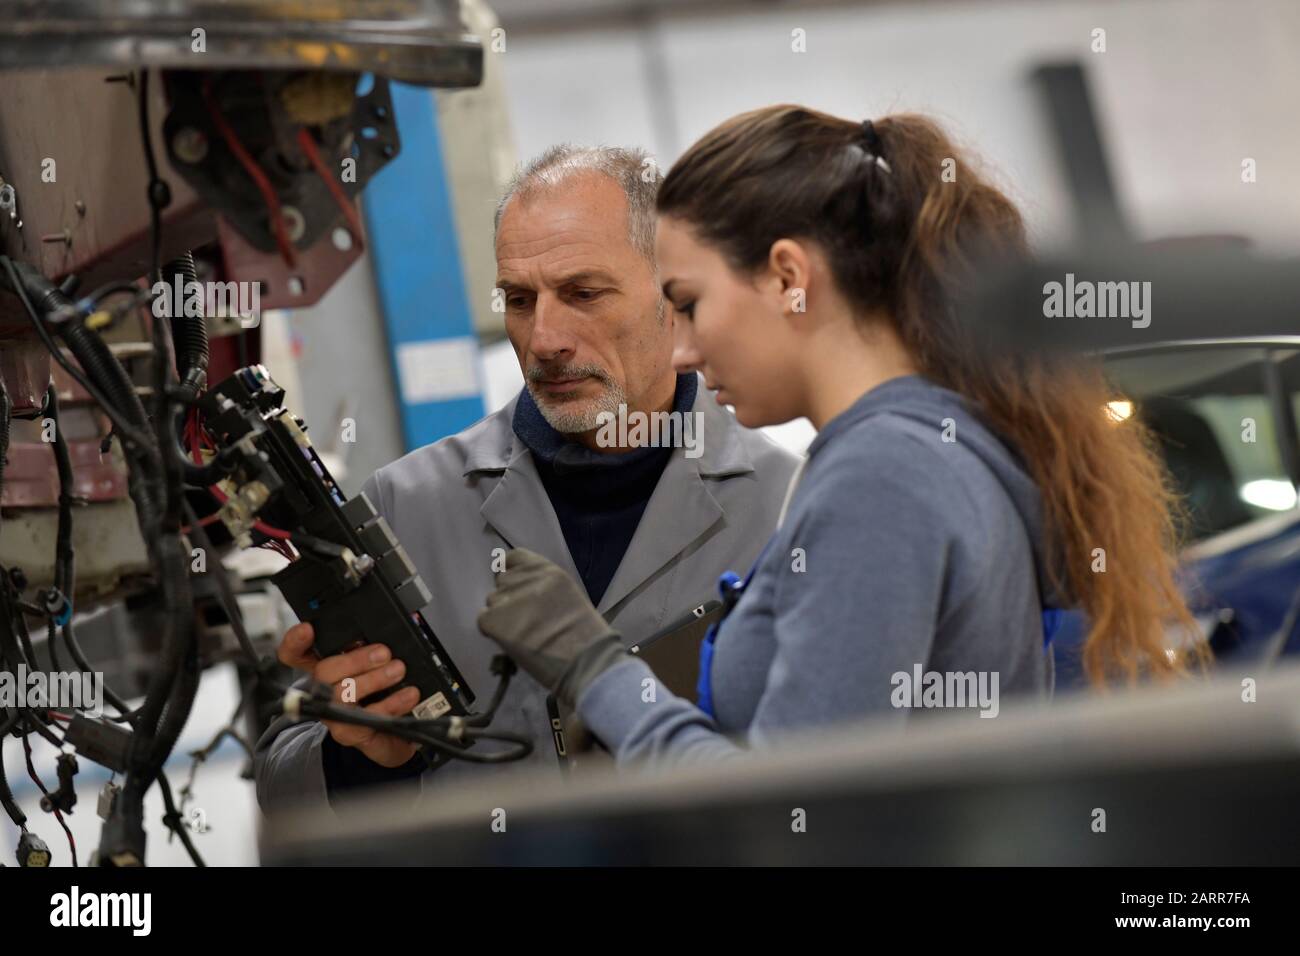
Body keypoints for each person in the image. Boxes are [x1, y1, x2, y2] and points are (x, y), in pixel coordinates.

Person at [478, 106, 1201, 770]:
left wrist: (597, 672)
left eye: (691, 304)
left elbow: (795, 813)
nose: (683, 352)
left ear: (789, 277)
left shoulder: (882, 477)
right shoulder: (932, 445)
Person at [253, 145, 800, 809]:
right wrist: (362, 756)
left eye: (582, 293)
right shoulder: (404, 507)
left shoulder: (785, 509)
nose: (544, 338)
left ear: (671, 294)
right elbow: (282, 793)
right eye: (518, 299)